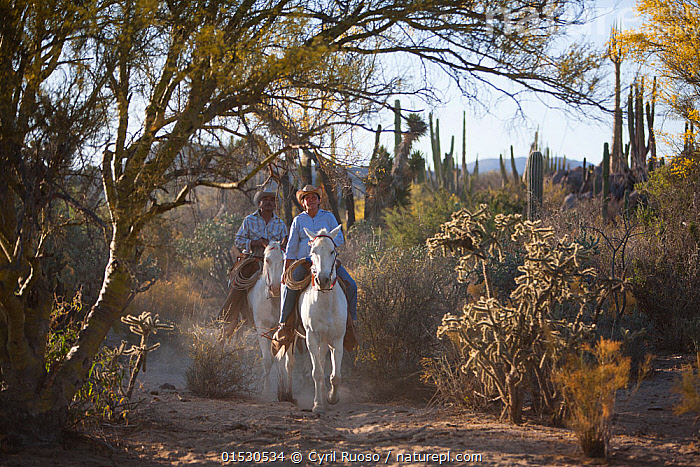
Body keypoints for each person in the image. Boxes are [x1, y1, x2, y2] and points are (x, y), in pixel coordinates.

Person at [272, 185, 357, 347]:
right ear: (303, 203)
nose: (310, 200)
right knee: (290, 287)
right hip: (303, 262)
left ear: (319, 200)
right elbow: (291, 247)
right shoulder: (298, 220)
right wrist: (286, 270)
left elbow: (339, 239)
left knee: (351, 285)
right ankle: (284, 325)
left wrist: (324, 240)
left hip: (327, 261)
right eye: (307, 198)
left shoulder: (329, 217)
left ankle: (352, 324)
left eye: (313, 197)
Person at [219, 189, 288, 338]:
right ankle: (229, 317)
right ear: (259, 203)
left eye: (272, 199)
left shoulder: (280, 224)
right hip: (254, 259)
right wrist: (254, 243)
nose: (269, 202)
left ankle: (290, 322)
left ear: (275, 204)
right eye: (265, 199)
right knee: (239, 281)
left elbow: (285, 245)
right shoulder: (249, 220)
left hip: (274, 261)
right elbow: (238, 239)